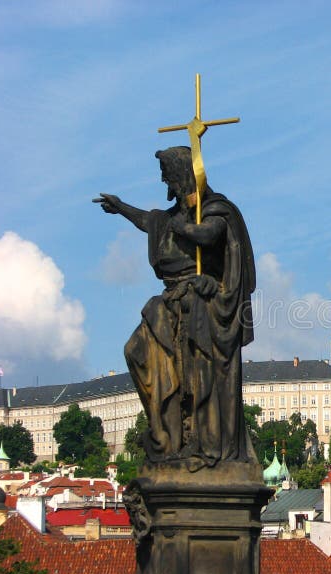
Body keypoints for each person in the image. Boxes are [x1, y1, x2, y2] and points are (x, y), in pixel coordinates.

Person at [94, 146, 256, 470]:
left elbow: (210, 236)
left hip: (202, 306)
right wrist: (121, 207)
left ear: (182, 176)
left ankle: (200, 443)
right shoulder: (172, 217)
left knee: (197, 377)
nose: (164, 182)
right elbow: (149, 220)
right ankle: (165, 436)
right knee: (135, 351)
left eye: (168, 175)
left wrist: (184, 223)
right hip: (169, 303)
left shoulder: (215, 209)